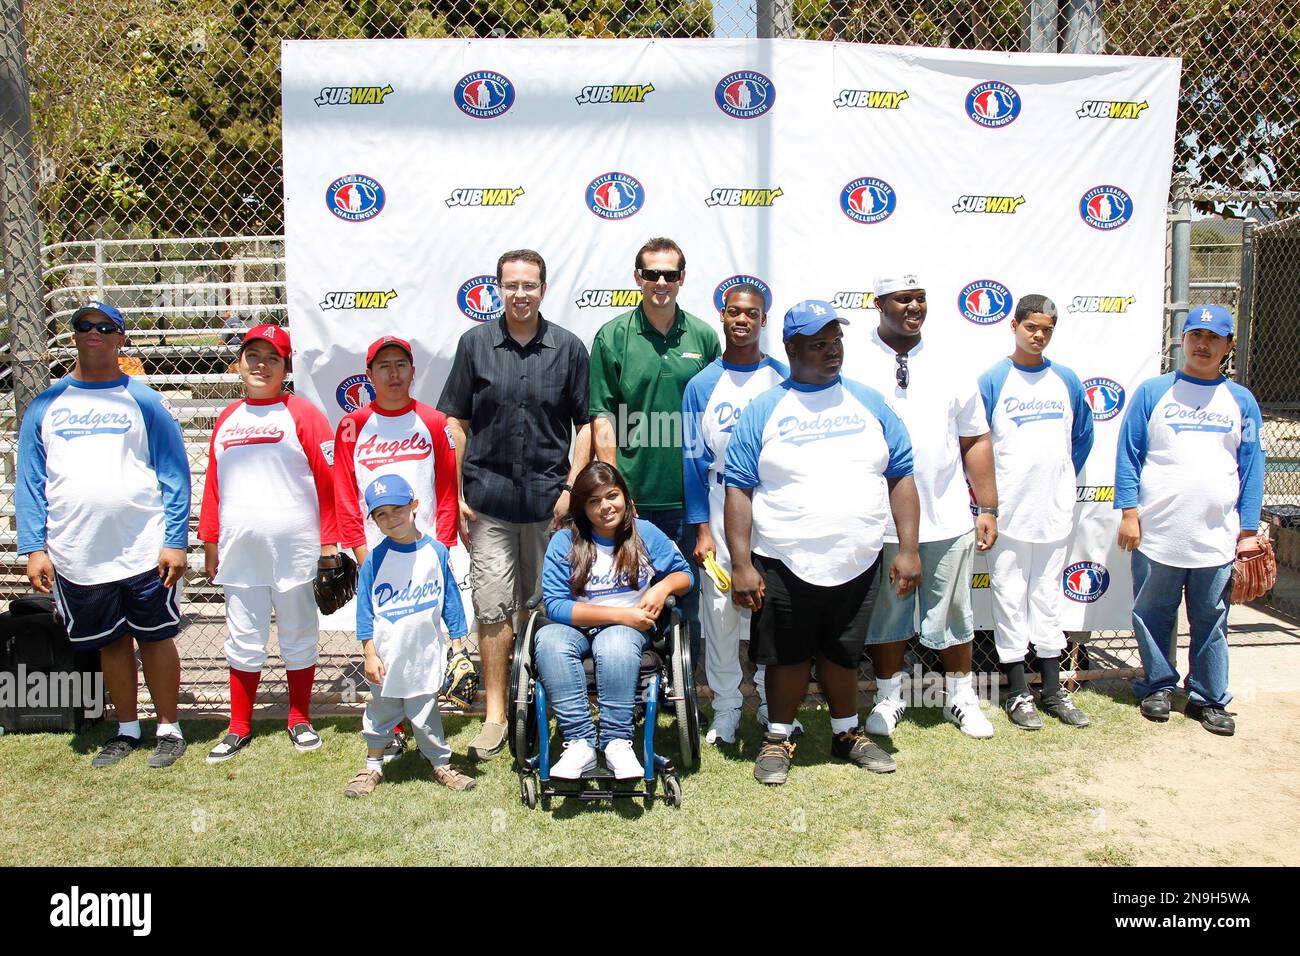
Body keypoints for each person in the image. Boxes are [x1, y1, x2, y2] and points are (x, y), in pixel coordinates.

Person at [725, 300, 921, 785]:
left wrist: (909, 548)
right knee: (786, 655)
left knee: (843, 653)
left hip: (858, 558)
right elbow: (738, 489)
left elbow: (901, 476)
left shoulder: (870, 402)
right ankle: (777, 737)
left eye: (836, 343)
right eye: (818, 344)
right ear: (791, 349)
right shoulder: (764, 410)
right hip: (782, 560)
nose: (831, 352)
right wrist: (742, 563)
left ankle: (846, 733)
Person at [17, 301, 191, 767]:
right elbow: (30, 481)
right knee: (112, 641)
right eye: (83, 326)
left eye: (105, 326)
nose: (93, 332)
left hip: (142, 545)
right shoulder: (46, 404)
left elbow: (175, 474)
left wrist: (175, 539)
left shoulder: (144, 399)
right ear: (73, 336)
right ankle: (127, 729)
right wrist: (34, 547)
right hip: (78, 550)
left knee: (155, 636)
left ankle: (169, 728)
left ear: (121, 338)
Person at [437, 248, 592, 763]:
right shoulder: (474, 345)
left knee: (551, 610)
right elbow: (454, 421)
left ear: (543, 289)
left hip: (552, 505)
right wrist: (457, 492)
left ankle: (555, 709)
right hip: (489, 504)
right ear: (497, 289)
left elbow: (586, 423)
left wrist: (572, 488)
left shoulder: (568, 348)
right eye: (511, 285)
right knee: (493, 608)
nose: (520, 294)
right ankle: (496, 715)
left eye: (529, 285)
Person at [847, 272, 1000, 739]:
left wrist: (987, 505)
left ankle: (960, 697)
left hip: (948, 515)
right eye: (902, 299)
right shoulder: (851, 359)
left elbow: (974, 437)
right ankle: (889, 697)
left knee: (954, 612)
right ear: (878, 304)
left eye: (920, 298)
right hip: (879, 518)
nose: (913, 307)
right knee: (889, 616)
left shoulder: (952, 360)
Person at [1115, 305, 1264, 736]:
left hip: (1216, 535)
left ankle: (1208, 698)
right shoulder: (1153, 392)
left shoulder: (1241, 400)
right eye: (1196, 334)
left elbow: (1253, 467)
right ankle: (1157, 686)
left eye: (1214, 337)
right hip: (1157, 531)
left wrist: (1248, 531)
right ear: (1182, 339)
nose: (1203, 344)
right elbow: (1129, 455)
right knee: (1153, 612)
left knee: (1211, 618)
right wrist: (1128, 512)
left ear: (1229, 346)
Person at [199, 324, 340, 762]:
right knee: (244, 637)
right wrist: (209, 541)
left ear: (285, 367)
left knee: (298, 634)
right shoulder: (227, 418)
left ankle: (299, 718)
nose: (261, 365)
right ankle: (238, 725)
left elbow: (329, 481)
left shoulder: (303, 413)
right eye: (253, 356)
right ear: (238, 363)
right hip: (241, 551)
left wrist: (328, 544)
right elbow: (213, 486)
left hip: (296, 549)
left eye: (272, 358)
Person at [590, 237, 721, 658]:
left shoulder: (703, 336)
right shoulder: (612, 337)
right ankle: (632, 679)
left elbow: (717, 418)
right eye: (652, 274)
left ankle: (683, 692)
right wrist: (616, 492)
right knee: (629, 594)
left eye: (669, 274)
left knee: (687, 597)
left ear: (682, 278)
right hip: (635, 497)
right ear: (637, 278)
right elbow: (603, 418)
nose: (660, 281)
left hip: (691, 497)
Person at [335, 335, 459, 759]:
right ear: (368, 375)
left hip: (424, 548)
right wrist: (357, 545)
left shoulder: (432, 420)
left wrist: (442, 545)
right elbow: (346, 491)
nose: (393, 373)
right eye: (383, 366)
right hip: (375, 549)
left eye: (400, 364)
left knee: (419, 631)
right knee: (386, 635)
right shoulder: (351, 425)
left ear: (412, 370)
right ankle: (391, 724)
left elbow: (446, 486)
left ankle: (422, 717)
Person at [977, 295, 1094, 730]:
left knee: (1046, 598)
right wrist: (989, 500)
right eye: (1032, 327)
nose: (1039, 335)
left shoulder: (1065, 380)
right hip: (1007, 512)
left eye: (1046, 329)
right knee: (1008, 595)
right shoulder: (993, 380)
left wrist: (1060, 478)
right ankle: (1017, 692)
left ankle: (1051, 690)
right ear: (1014, 325)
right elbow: (977, 443)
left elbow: (1081, 439)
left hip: (1054, 510)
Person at [538, 462, 694, 780]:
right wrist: (620, 614)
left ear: (625, 496)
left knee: (615, 640)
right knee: (548, 640)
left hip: (629, 631)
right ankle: (579, 743)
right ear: (582, 506)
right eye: (594, 501)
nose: (606, 506)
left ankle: (616, 742)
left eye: (612, 496)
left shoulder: (645, 533)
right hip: (577, 627)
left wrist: (663, 586)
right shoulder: (564, 541)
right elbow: (554, 605)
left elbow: (686, 576)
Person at [682, 283, 788, 745]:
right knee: (721, 612)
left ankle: (771, 703)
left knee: (776, 613)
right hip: (720, 513)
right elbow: (690, 459)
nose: (742, 320)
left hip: (775, 515)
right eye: (733, 313)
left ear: (764, 320)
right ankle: (725, 707)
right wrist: (701, 528)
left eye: (752, 313)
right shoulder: (700, 384)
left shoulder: (784, 379)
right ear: (722, 318)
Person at [344, 475, 477, 796]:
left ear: (415, 505)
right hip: (387, 657)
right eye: (381, 515)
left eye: (397, 509)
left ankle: (441, 764)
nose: (391, 519)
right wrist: (369, 653)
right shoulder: (374, 559)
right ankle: (373, 765)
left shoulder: (435, 552)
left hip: (424, 654)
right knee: (381, 712)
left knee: (425, 713)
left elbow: (451, 602)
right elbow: (364, 611)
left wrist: (457, 646)